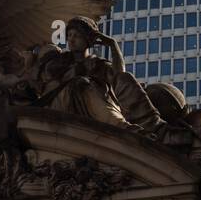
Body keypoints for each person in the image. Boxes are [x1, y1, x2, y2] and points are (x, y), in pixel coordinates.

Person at [28, 17, 162, 132]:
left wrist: (113, 46)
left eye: (77, 36)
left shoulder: (97, 64)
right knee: (82, 83)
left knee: (124, 78)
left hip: (92, 109)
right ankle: (121, 125)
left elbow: (119, 76)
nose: (71, 40)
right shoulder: (59, 62)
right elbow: (44, 84)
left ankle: (151, 124)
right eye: (69, 35)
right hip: (60, 107)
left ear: (88, 40)